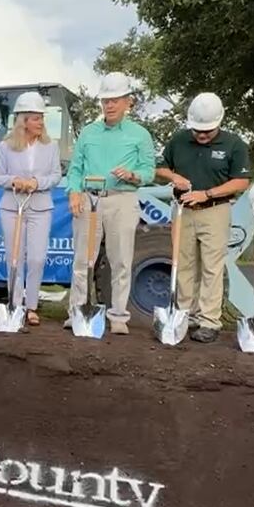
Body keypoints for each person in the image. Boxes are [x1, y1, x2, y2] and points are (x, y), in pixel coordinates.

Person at [64, 71, 156, 335]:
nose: (110, 105)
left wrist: (133, 175)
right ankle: (78, 312)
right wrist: (73, 191)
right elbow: (75, 169)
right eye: (105, 100)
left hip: (123, 200)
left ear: (128, 102)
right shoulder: (89, 133)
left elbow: (149, 171)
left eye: (115, 100)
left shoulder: (140, 135)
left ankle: (118, 316)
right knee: (83, 260)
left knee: (121, 260)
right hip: (89, 199)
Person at [154, 92, 251, 342]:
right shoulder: (178, 140)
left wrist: (206, 194)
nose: (202, 135)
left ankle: (209, 321)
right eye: (197, 130)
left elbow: (241, 181)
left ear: (219, 122)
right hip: (182, 210)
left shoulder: (234, 144)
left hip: (215, 210)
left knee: (212, 267)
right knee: (183, 265)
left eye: (207, 131)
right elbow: (161, 166)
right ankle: (185, 316)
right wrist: (173, 177)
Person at [0, 91, 61, 326]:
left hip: (40, 207)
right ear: (23, 121)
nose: (40, 122)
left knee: (37, 259)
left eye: (42, 117)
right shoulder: (5, 146)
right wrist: (14, 181)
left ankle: (31, 306)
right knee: (14, 258)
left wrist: (36, 183)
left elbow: (56, 176)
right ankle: (15, 304)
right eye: (35, 118)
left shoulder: (51, 146)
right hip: (12, 207)